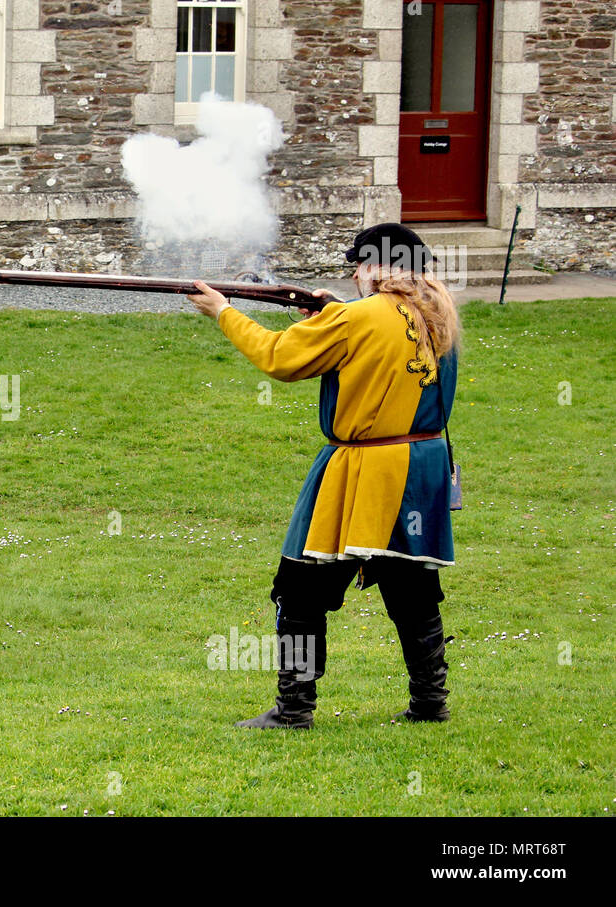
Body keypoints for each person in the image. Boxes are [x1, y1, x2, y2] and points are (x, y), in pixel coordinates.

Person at [186, 223, 459, 728]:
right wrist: (335, 311)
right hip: (421, 469)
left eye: (359, 266)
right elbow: (374, 343)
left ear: (377, 267)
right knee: (412, 593)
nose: (355, 276)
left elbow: (280, 358)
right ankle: (429, 704)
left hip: (364, 470)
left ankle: (294, 709)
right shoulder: (436, 310)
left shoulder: (360, 316)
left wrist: (223, 312)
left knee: (300, 590)